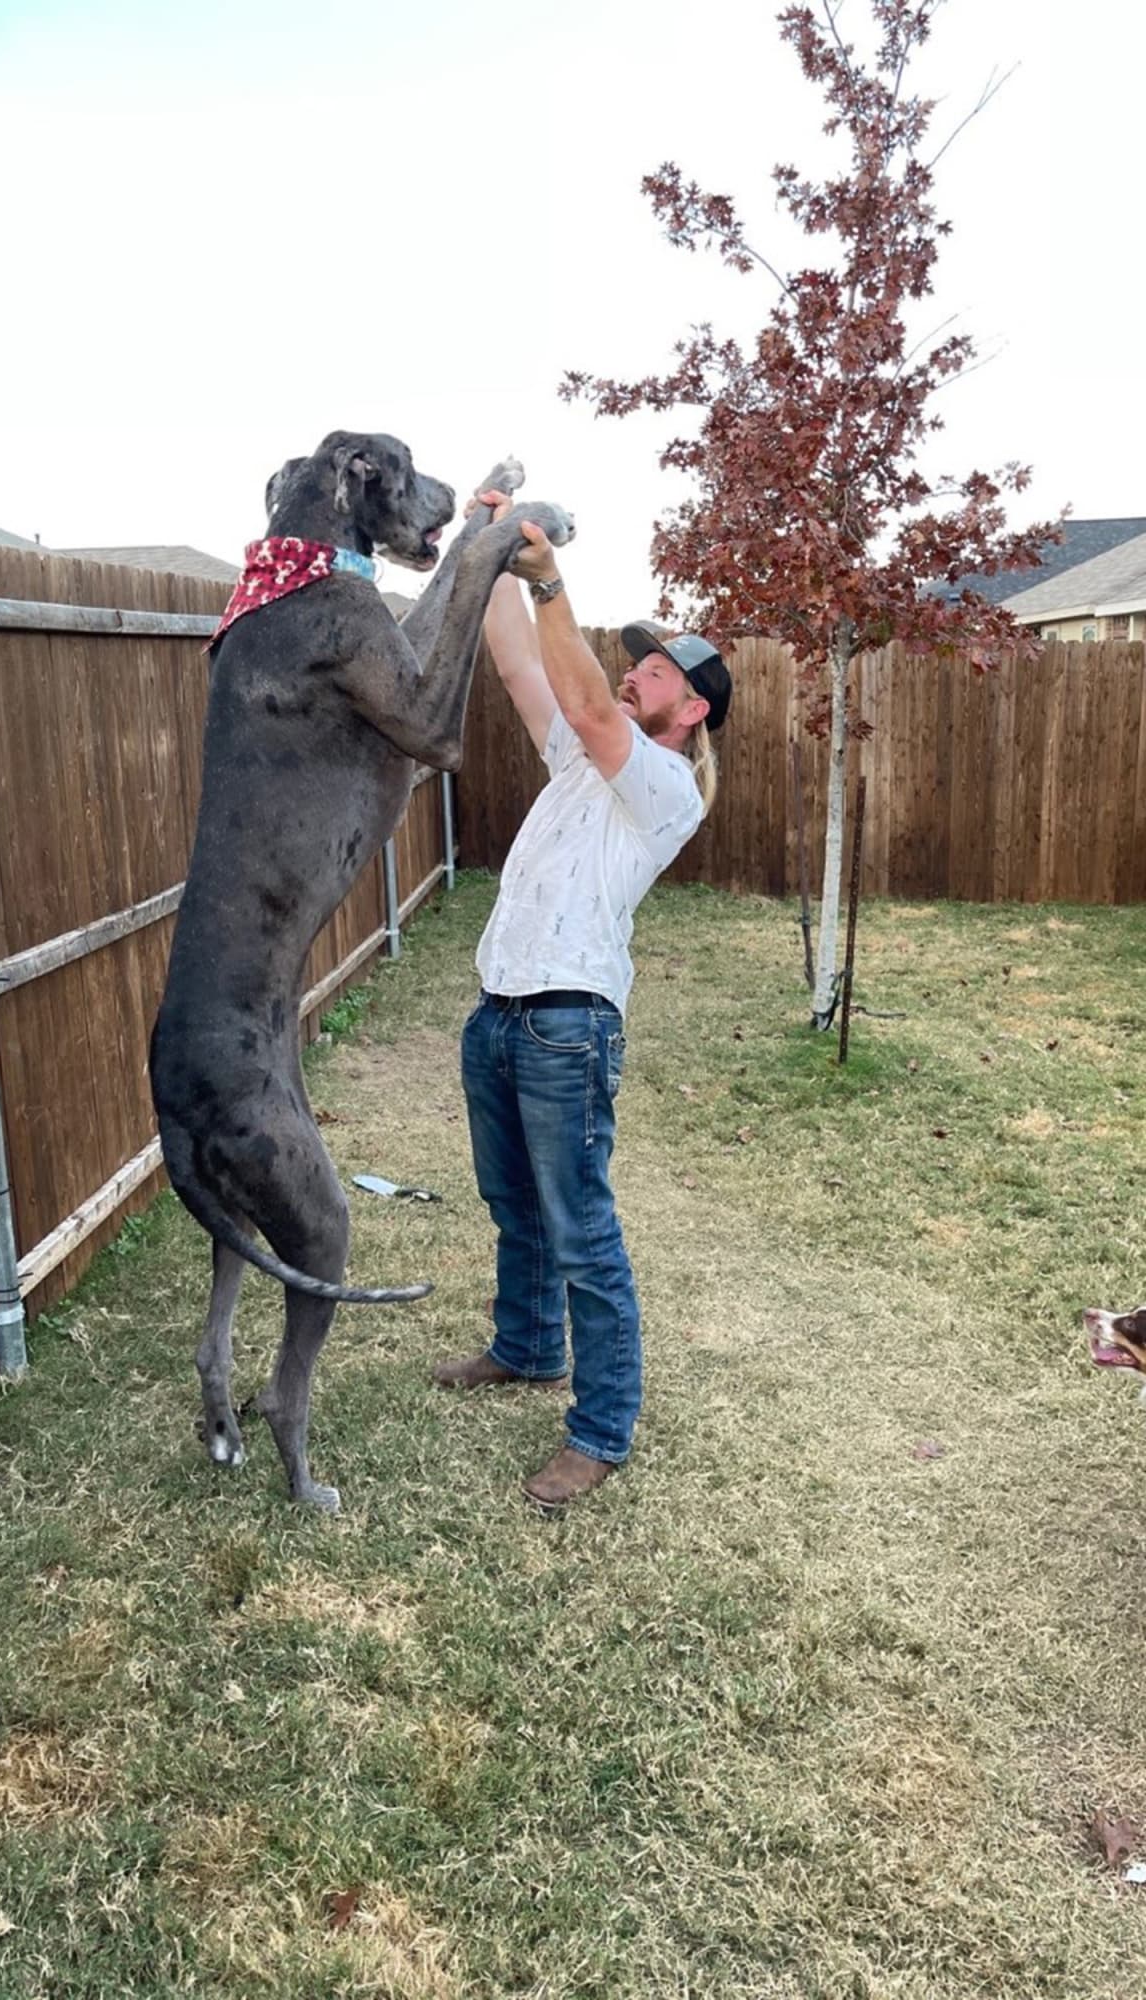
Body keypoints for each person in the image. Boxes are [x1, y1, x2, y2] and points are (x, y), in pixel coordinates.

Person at [432, 491, 732, 1511]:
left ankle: (601, 1428)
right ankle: (525, 1347)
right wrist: (479, 552)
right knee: (513, 1203)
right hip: (500, 1010)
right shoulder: (579, 757)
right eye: (637, 658)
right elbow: (524, 663)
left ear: (688, 708)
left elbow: (594, 706)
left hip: (569, 1025)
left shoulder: (664, 783)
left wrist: (549, 574)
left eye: (657, 669)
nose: (635, 671)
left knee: (581, 1229)